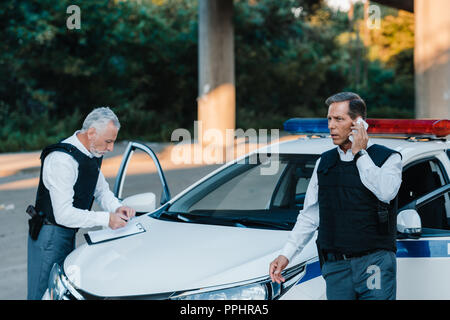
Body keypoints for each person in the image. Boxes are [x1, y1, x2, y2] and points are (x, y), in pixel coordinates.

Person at [269, 92, 402, 300]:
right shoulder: (325, 162)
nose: (331, 125)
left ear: (359, 124)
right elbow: (310, 216)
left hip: (373, 263)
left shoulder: (388, 158)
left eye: (339, 119)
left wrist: (360, 154)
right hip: (336, 266)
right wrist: (286, 254)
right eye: (329, 119)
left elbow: (386, 192)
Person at [27, 107, 136, 300]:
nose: (111, 148)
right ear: (92, 133)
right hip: (49, 236)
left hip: (67, 232)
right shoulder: (62, 160)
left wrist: (116, 207)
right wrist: (107, 219)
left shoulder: (91, 154)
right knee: (42, 294)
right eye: (108, 142)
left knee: (62, 292)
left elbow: (101, 190)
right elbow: (63, 214)